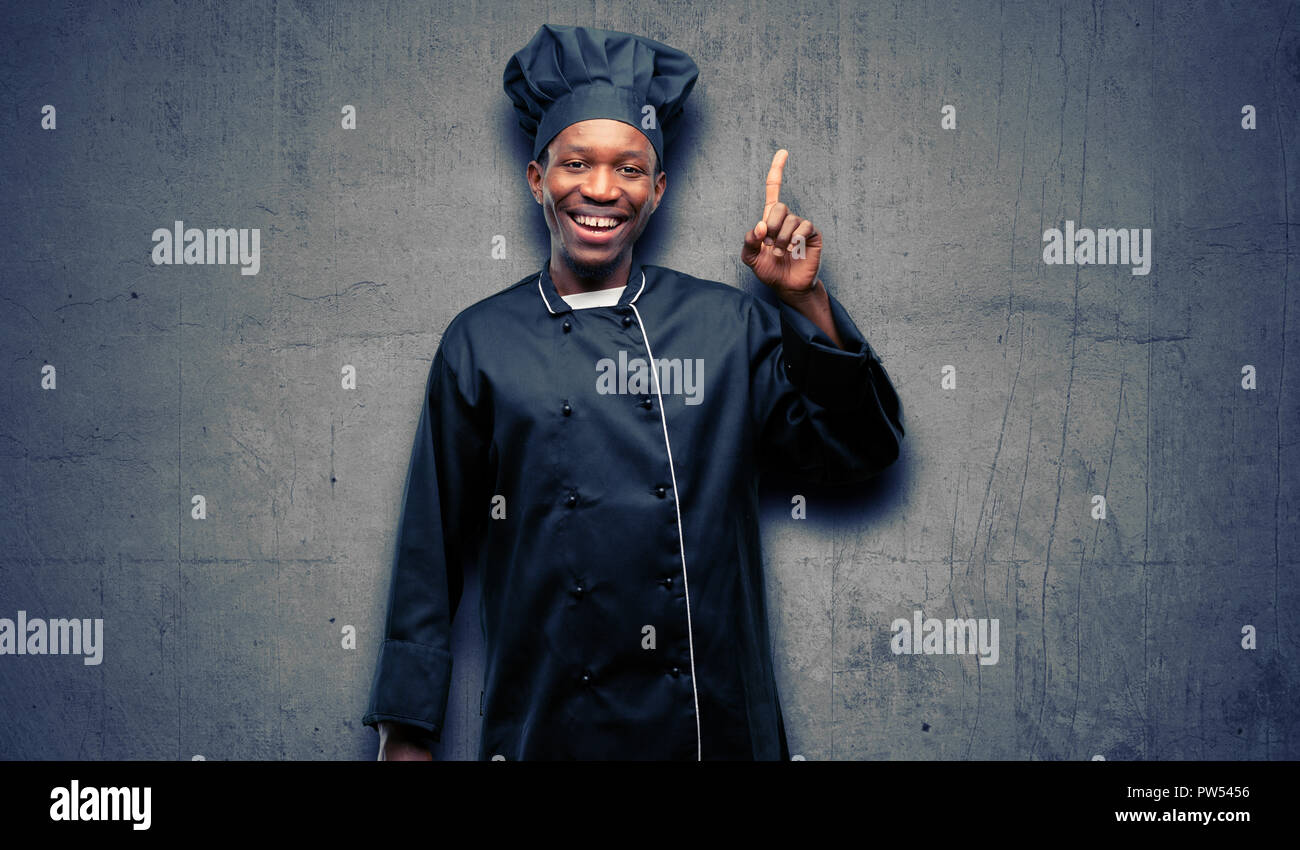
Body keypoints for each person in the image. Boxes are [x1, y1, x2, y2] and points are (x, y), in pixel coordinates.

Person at [362, 23, 904, 760]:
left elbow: (858, 452)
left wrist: (806, 303)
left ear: (656, 191)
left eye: (628, 170)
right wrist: (407, 730)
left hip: (711, 728)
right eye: (575, 163)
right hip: (544, 725)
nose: (599, 189)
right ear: (536, 178)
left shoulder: (726, 324)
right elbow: (431, 546)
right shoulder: (480, 341)